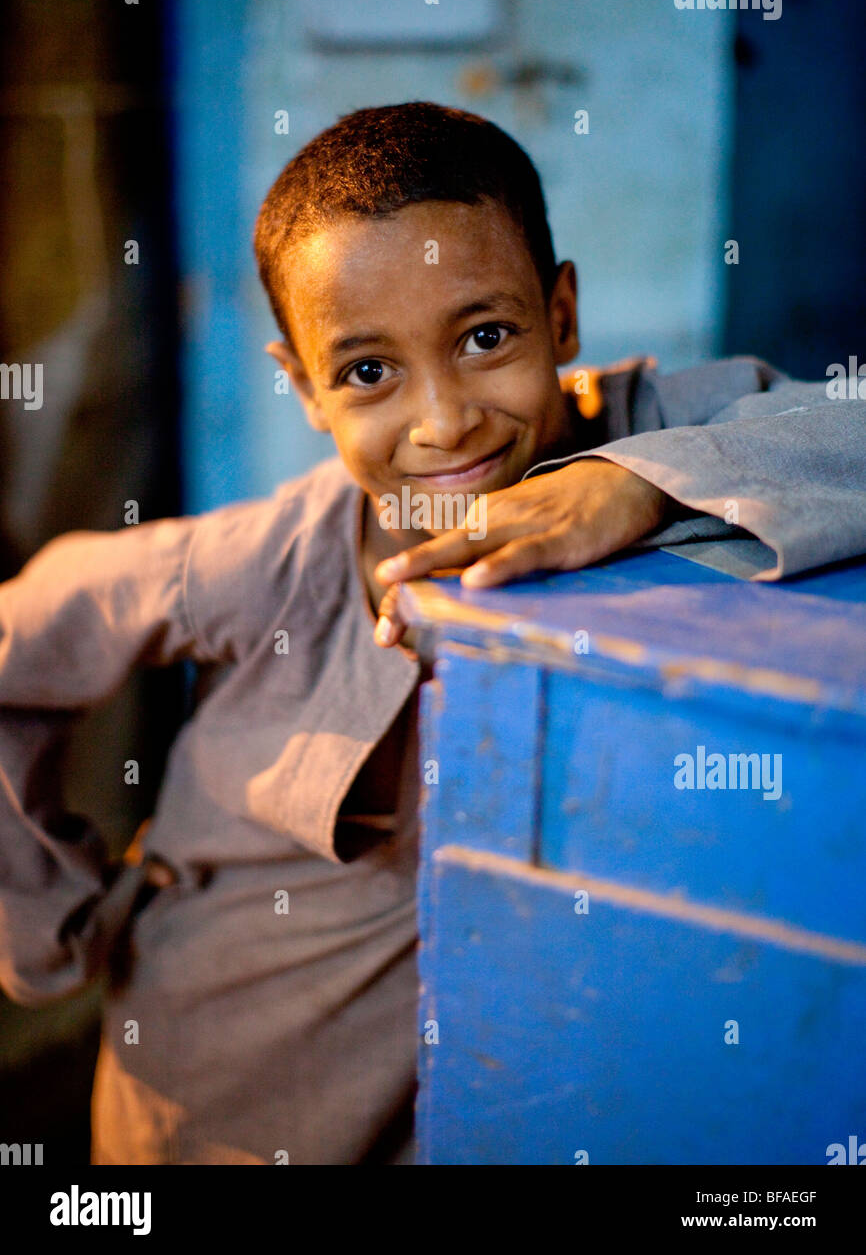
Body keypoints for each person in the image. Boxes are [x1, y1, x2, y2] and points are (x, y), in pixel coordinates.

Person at [1, 103, 864, 1164]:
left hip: (473, 1086)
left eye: (485, 337)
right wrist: (48, 922)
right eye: (367, 370)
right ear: (303, 387)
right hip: (221, 1078)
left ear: (560, 313)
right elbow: (19, 635)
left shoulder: (651, 425)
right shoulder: (274, 556)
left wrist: (626, 485)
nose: (444, 418)